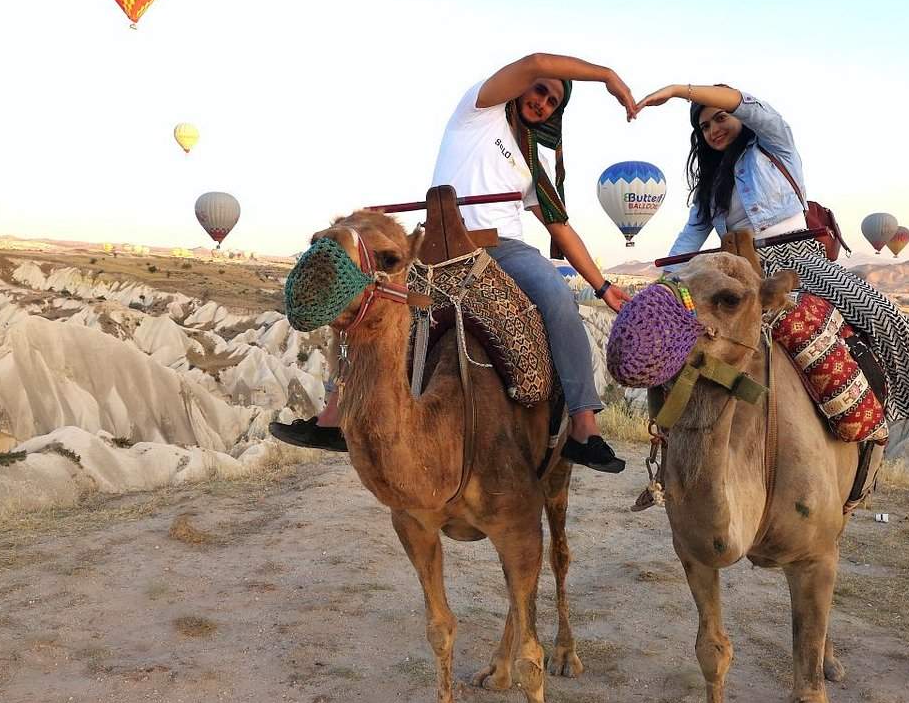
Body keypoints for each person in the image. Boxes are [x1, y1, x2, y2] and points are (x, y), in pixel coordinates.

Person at [272, 53, 637, 473]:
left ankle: (583, 425)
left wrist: (604, 288)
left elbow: (563, 231)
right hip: (438, 246)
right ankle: (334, 415)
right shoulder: (479, 112)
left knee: (558, 299)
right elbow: (536, 62)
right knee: (366, 300)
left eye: (554, 102)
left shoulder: (532, 165)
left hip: (504, 249)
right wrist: (606, 76)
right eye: (541, 90)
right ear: (522, 87)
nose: (544, 102)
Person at [638, 82, 909, 481]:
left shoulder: (774, 145)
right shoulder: (709, 187)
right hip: (741, 266)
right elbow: (688, 240)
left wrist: (682, 92)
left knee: (885, 315)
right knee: (685, 338)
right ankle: (672, 443)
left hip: (799, 259)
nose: (713, 128)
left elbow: (753, 107)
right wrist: (662, 287)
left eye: (720, 117)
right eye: (703, 126)